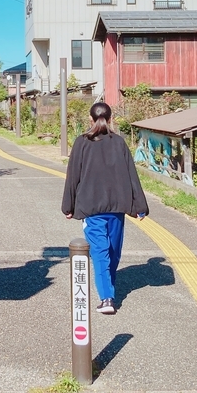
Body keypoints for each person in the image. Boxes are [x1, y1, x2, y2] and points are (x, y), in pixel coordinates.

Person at [61, 102, 148, 315]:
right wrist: (140, 206)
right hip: (117, 206)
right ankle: (107, 296)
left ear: (91, 119)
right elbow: (131, 175)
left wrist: (68, 206)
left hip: (91, 206)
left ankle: (107, 292)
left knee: (106, 252)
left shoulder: (82, 143)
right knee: (108, 251)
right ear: (110, 119)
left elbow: (73, 176)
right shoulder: (118, 142)